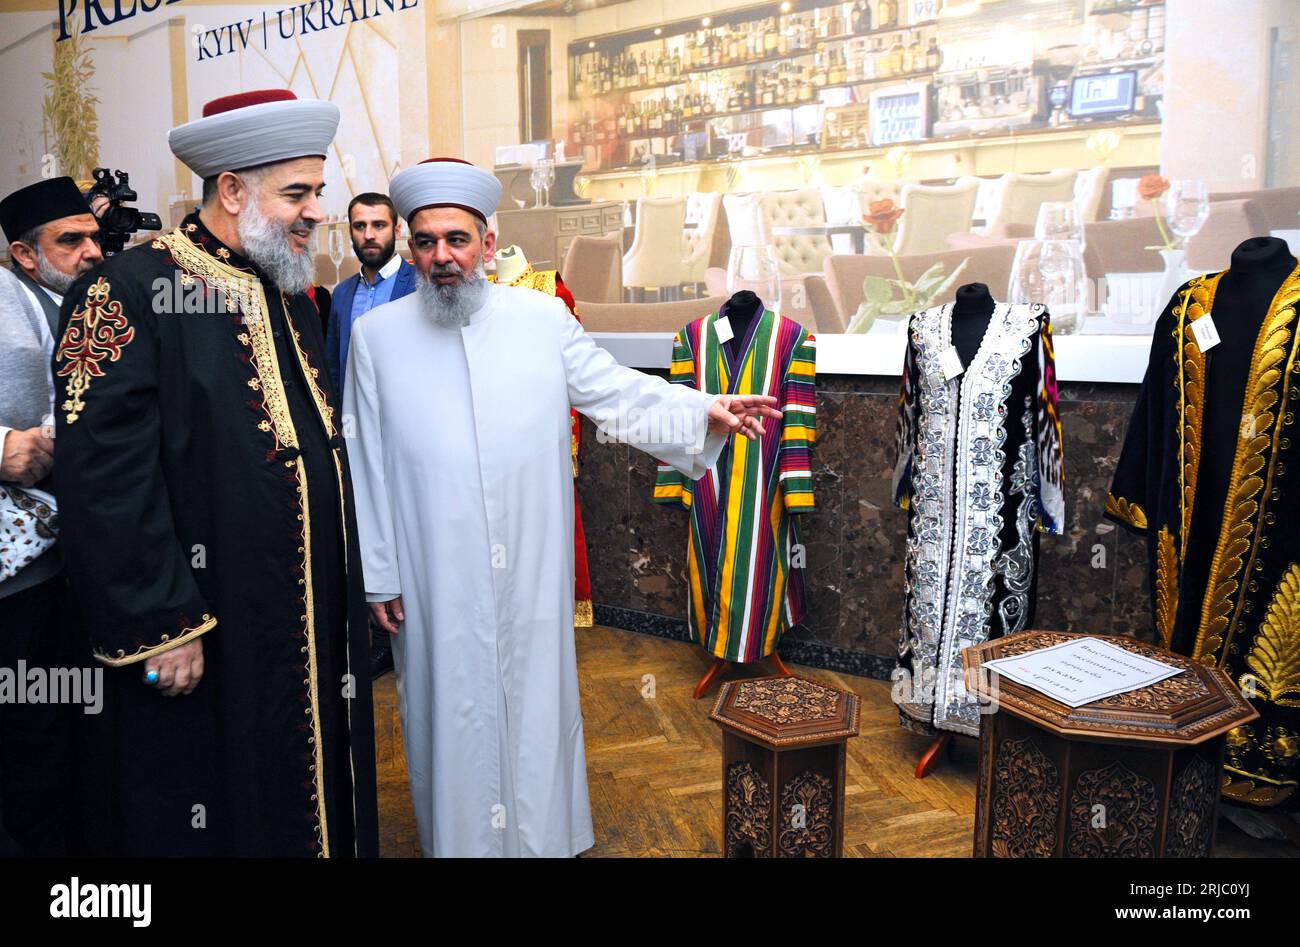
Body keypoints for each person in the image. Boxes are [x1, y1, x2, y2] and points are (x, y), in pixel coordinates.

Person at [344, 156, 781, 857]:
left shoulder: (543, 319)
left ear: (487, 244)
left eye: (456, 240)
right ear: (409, 248)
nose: (441, 257)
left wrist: (705, 409)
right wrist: (380, 574)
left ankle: (542, 837)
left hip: (528, 557)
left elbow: (616, 392)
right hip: (432, 568)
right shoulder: (377, 337)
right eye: (424, 242)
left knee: (535, 697)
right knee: (446, 708)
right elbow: (363, 460)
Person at [53, 88, 378, 857]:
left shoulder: (288, 286)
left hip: (307, 614)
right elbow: (102, 475)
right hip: (210, 621)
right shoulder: (125, 290)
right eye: (294, 193)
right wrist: (163, 623)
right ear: (231, 190)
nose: (314, 212)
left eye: (316, 192)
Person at [0, 264, 76, 856]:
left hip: (26, 571)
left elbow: (62, 390)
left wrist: (42, 441)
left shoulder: (15, 294)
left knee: (38, 741)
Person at [325, 192, 416, 390]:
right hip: (352, 415)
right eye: (360, 226)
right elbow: (333, 368)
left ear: (397, 230)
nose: (369, 235)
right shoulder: (341, 293)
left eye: (379, 225)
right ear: (350, 232)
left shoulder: (421, 284)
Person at [3, 176, 103, 341]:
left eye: (95, 238)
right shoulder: (14, 319)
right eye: (71, 240)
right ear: (25, 255)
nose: (94, 252)